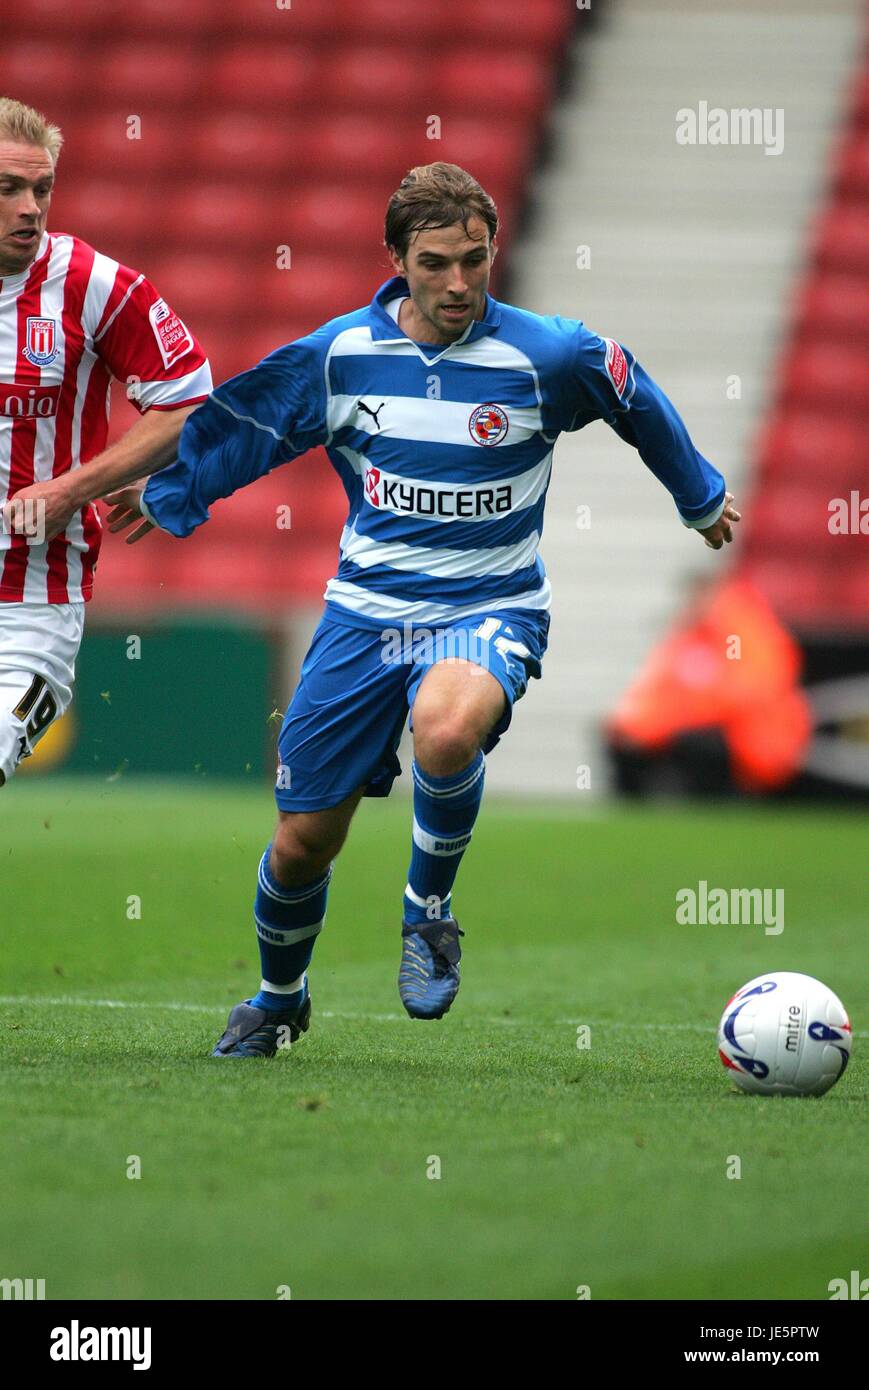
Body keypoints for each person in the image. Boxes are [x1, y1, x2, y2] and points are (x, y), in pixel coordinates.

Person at [12, 162, 740, 1054]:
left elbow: (634, 395)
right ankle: (279, 1002)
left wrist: (697, 495)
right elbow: (250, 421)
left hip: (491, 604)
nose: (459, 284)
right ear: (397, 258)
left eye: (474, 260)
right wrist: (170, 493)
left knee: (444, 729)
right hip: (363, 617)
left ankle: (427, 913)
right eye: (435, 263)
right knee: (302, 844)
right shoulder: (341, 355)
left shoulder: (548, 354)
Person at [0, 98, 212, 787]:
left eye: (42, 188)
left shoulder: (90, 284)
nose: (31, 207)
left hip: (30, 606)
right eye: (9, 189)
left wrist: (69, 489)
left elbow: (188, 399)